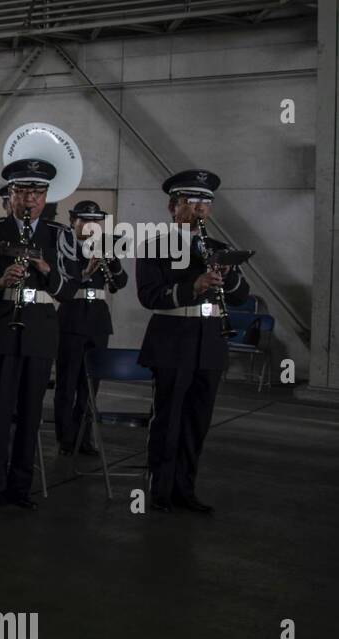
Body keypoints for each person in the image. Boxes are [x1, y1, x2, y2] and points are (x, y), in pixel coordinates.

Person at [136, 169, 250, 513]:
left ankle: (185, 490)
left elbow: (242, 295)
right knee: (168, 419)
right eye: (192, 201)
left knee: (197, 421)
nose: (200, 208)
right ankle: (161, 489)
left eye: (206, 202)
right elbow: (149, 296)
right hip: (172, 340)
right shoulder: (154, 245)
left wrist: (226, 280)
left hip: (210, 340)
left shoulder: (220, 249)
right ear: (174, 207)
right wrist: (193, 287)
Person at [0, 159, 77, 509]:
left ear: (46, 197)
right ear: (10, 195)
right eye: (22, 191)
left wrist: (45, 267)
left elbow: (68, 289)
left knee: (31, 412)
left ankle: (20, 487)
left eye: (37, 192)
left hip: (40, 334)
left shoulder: (60, 235)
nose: (30, 199)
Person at [55, 199, 128, 455]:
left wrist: (112, 261)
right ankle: (65, 438)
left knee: (90, 386)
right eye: (85, 220)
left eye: (96, 221)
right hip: (72, 317)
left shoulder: (104, 247)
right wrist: (85, 272)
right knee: (67, 383)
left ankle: (83, 439)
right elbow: (63, 283)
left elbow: (119, 284)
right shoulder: (65, 247)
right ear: (73, 221)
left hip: (97, 319)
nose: (91, 225)